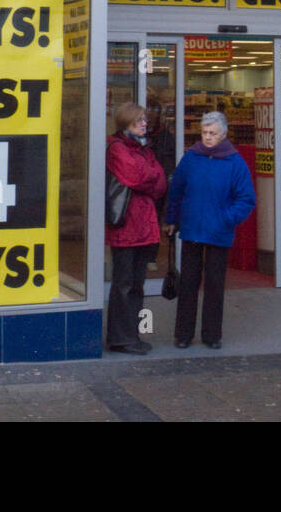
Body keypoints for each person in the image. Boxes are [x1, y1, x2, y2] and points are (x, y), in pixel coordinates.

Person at [164, 111, 256, 349]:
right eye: (204, 132)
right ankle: (183, 334)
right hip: (193, 229)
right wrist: (171, 219)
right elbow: (176, 191)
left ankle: (212, 335)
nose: (207, 137)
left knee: (215, 285)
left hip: (219, 232)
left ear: (223, 134)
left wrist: (227, 219)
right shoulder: (191, 158)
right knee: (188, 284)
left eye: (212, 133)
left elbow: (246, 199)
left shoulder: (235, 163)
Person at [105, 102, 167, 355]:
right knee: (124, 284)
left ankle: (131, 334)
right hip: (126, 229)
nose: (145, 124)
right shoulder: (117, 148)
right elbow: (137, 177)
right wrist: (149, 175)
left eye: (144, 120)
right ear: (126, 123)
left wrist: (149, 176)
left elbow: (160, 182)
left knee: (137, 284)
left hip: (144, 227)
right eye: (139, 121)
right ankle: (120, 337)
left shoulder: (144, 149)